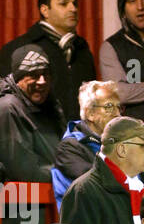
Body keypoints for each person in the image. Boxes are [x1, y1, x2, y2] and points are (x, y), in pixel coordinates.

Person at [0, 47, 65, 224]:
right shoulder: (9, 108)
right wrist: (66, 174)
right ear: (19, 77)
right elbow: (22, 168)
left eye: (46, 74)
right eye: (33, 74)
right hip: (27, 213)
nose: (42, 81)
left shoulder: (49, 104)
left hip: (50, 207)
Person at [0, 0, 96, 123]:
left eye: (75, 3)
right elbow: (8, 104)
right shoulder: (18, 49)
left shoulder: (81, 48)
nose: (73, 9)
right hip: (39, 138)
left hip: (80, 137)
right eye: (63, 3)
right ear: (45, 10)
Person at [51, 81, 122, 211]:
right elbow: (99, 186)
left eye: (119, 107)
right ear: (90, 114)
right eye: (109, 107)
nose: (117, 114)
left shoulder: (124, 143)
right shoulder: (69, 148)